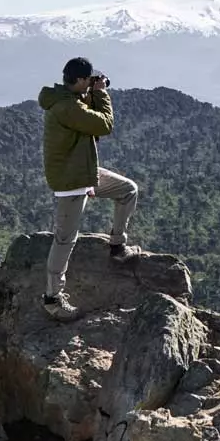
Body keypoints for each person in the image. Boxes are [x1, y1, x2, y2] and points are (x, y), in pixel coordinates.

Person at [37, 56, 141, 321]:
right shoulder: (65, 107)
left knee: (128, 190)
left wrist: (92, 93)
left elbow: (90, 122)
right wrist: (102, 93)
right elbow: (103, 125)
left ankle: (118, 247)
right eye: (89, 79)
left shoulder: (70, 100)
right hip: (71, 182)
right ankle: (52, 299)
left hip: (84, 173)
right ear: (81, 80)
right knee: (64, 239)